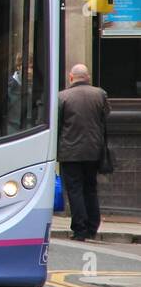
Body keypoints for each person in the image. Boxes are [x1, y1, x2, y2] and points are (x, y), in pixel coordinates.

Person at [58, 63, 110, 241]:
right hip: (94, 150)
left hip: (70, 151)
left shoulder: (62, 97)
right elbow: (106, 116)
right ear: (88, 78)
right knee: (90, 188)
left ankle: (79, 229)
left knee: (75, 190)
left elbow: (58, 123)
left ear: (71, 78)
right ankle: (92, 227)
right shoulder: (100, 94)